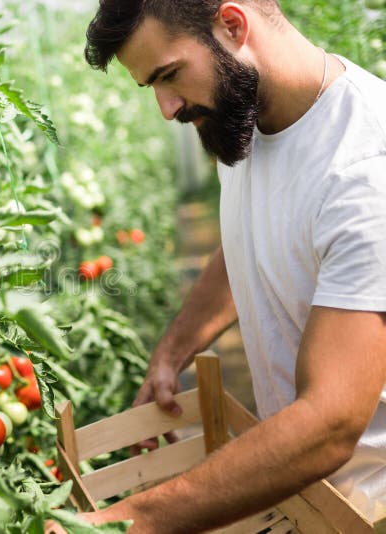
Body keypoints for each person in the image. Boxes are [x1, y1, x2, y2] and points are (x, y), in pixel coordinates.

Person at [48, 1, 386, 532]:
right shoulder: (245, 117)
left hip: (364, 508)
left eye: (169, 75)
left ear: (232, 25)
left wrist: (128, 520)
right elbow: (249, 241)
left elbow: (330, 421)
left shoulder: (364, 173)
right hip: (304, 494)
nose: (166, 107)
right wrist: (172, 351)